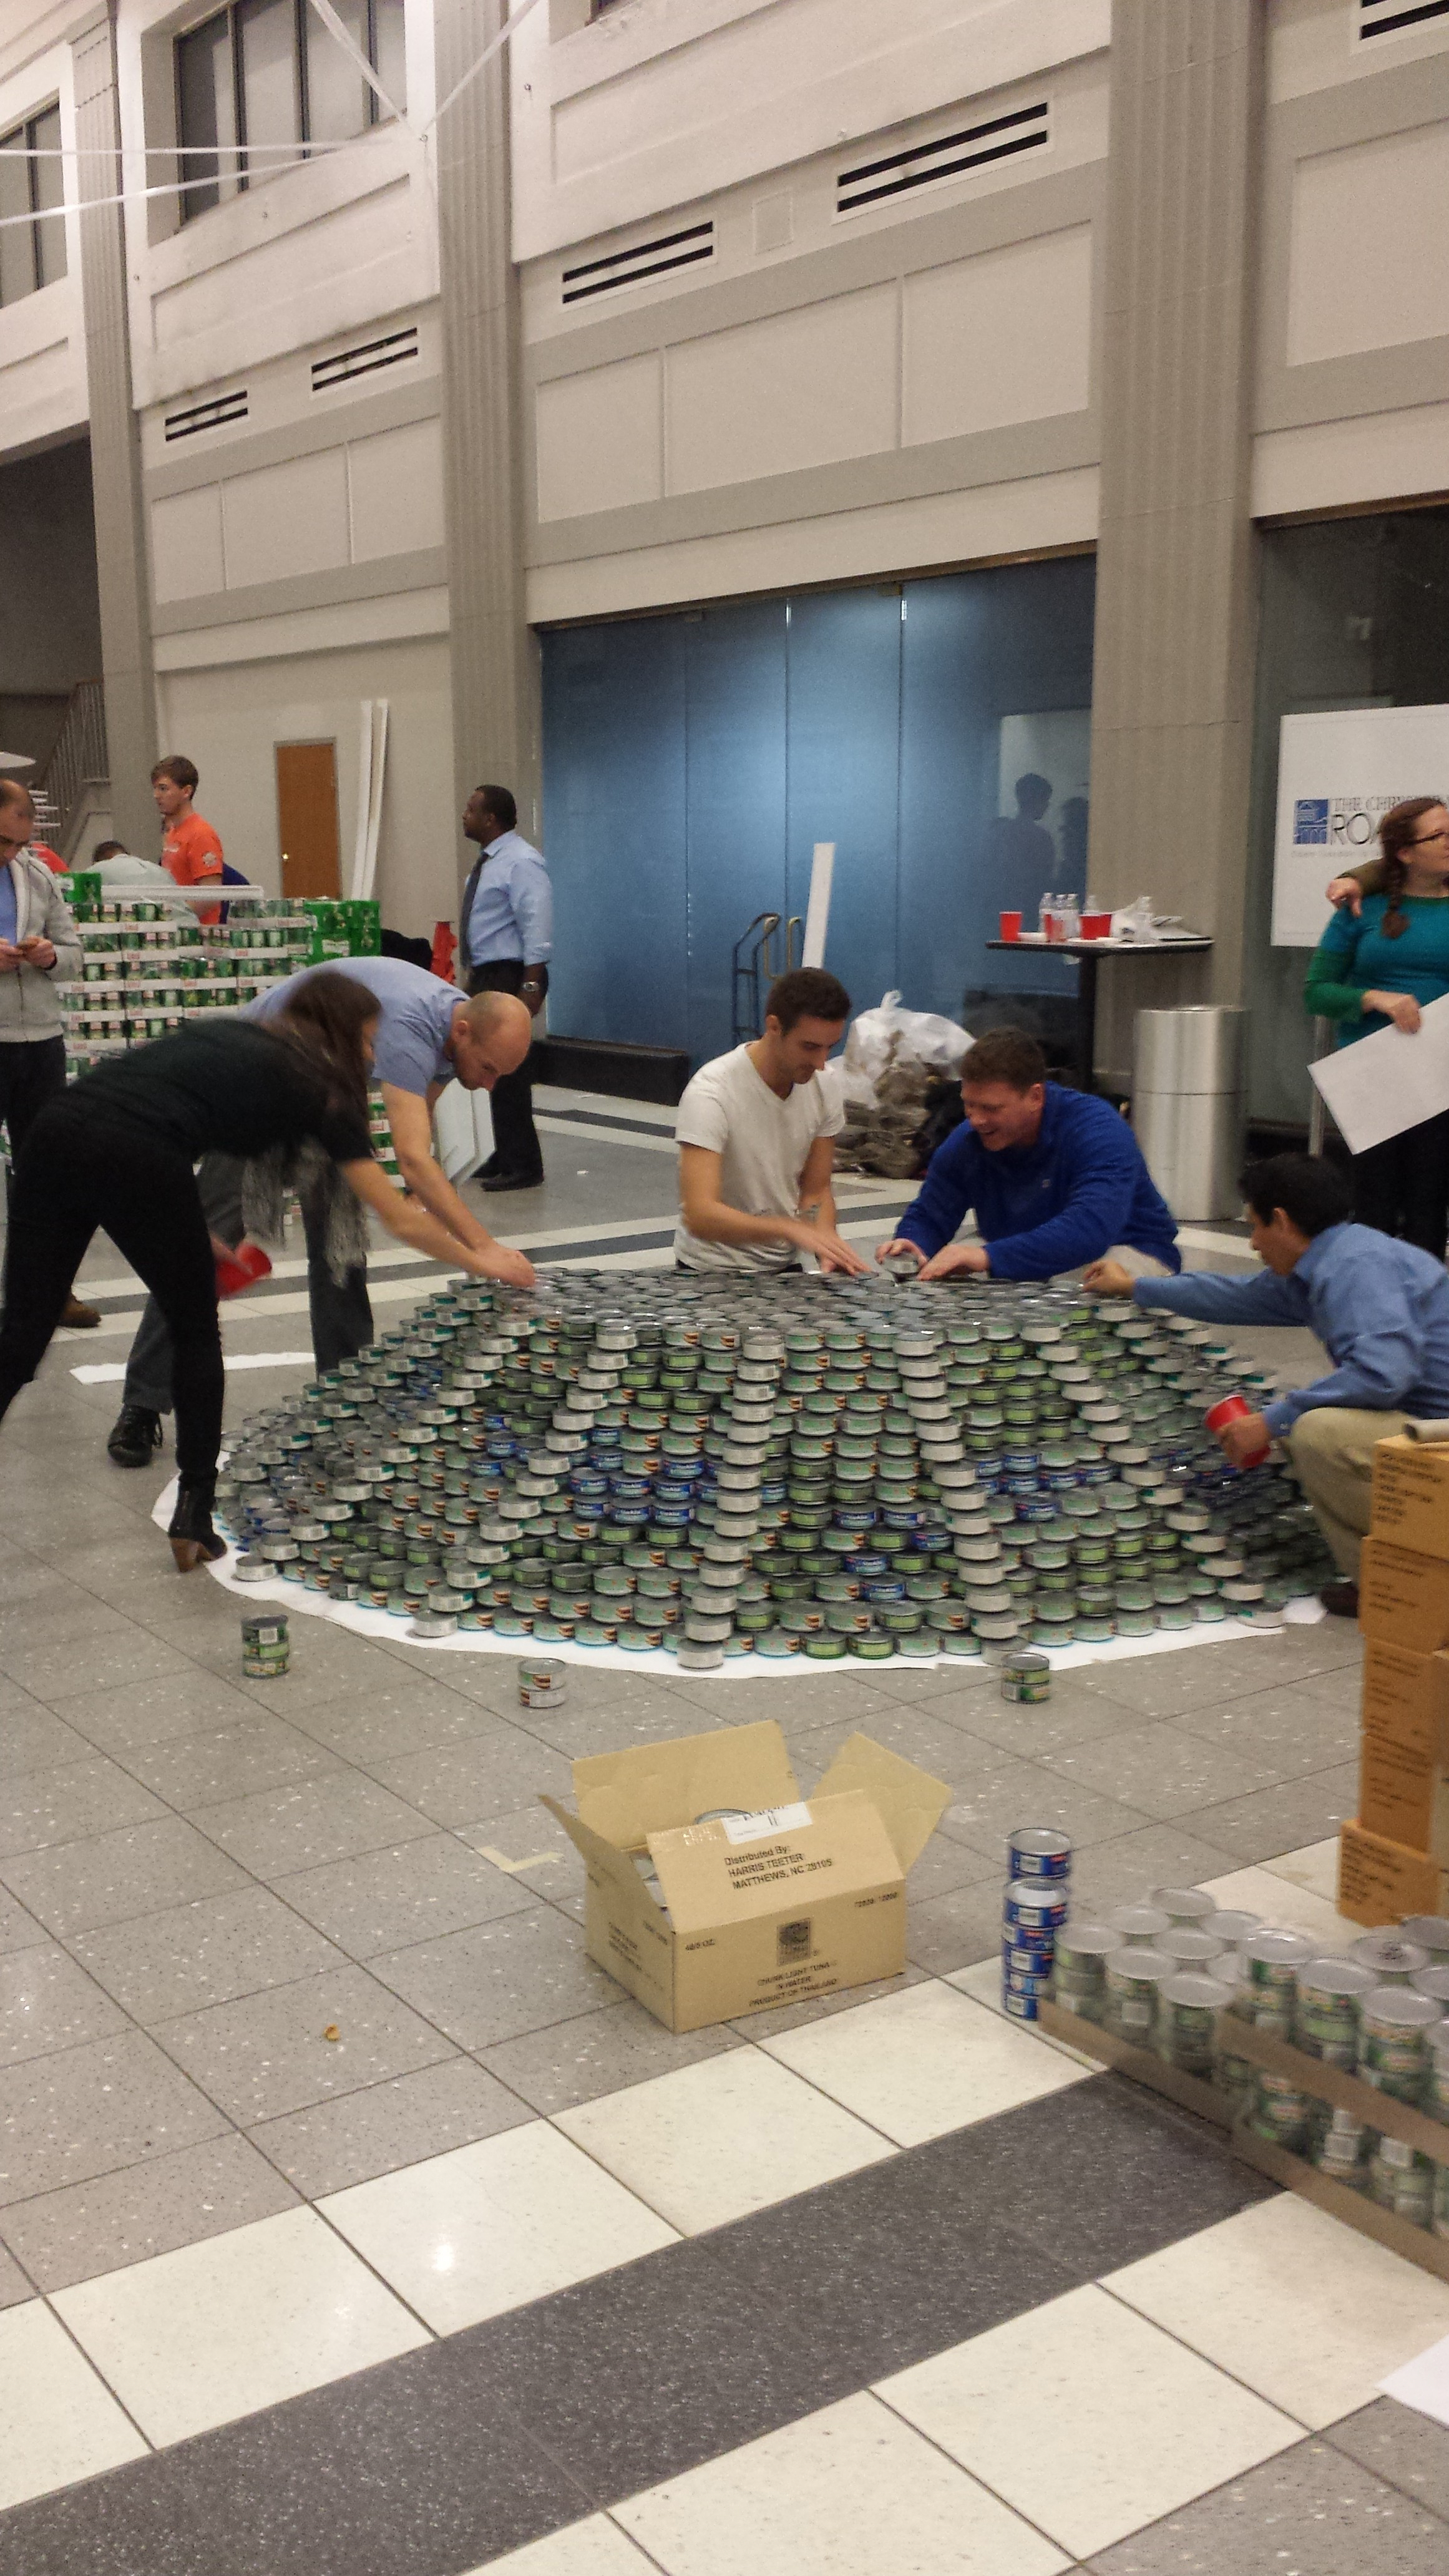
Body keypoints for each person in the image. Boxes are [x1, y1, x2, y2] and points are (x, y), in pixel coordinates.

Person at [0, 976, 516, 1568]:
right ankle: (194, 1512)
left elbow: (147, 1109)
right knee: (196, 1330)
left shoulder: (229, 1035)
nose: (372, 1056)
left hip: (54, 1132)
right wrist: (482, 1258)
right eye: (367, 1041)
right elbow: (399, 1218)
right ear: (339, 1036)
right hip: (137, 1150)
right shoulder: (322, 1093)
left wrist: (187, 1235)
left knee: (23, 1331)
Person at [107, 958, 536, 1466]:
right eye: (488, 1069)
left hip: (325, 1091)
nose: (489, 1085)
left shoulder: (456, 1031)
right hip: (253, 1089)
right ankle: (142, 1404)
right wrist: (483, 1248)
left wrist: (423, 1188)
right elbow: (412, 1159)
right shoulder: (414, 1028)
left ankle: (345, 1395)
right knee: (198, 1253)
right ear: (462, 1031)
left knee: (340, 1250)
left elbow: (421, 1113)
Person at [1085, 1153, 1449, 1616]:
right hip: (1423, 1421)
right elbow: (1232, 1296)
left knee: (1316, 1431)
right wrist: (1135, 1288)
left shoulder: (1358, 1267)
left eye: (1255, 1227)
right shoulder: (1327, 1260)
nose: (1254, 1243)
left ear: (1281, 1220)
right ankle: (1383, 1582)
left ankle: (1420, 1574)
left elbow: (1384, 1375)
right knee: (1302, 1424)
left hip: (1439, 1430)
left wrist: (1272, 1421)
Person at [877, 1027, 1179, 1282]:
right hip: (1017, 1246)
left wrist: (986, 1256)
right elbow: (931, 1212)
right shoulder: (970, 1140)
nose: (977, 1120)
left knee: (1075, 1295)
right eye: (969, 1104)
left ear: (1035, 1097)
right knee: (946, 1283)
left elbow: (1089, 1229)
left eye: (991, 1108)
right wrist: (913, 1243)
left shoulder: (1098, 1130)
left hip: (1126, 1247)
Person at [1311, 797, 1449, 1257]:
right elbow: (1317, 991)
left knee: (1430, 1201)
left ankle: (1425, 1298)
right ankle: (1368, 1292)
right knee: (1375, 1201)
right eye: (1439, 835)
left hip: (1440, 1071)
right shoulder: (1362, 909)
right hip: (1374, 1070)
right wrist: (1372, 998)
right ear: (1406, 853)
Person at [674, 967, 869, 1274]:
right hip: (711, 1270)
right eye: (809, 1047)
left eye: (830, 1048)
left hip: (784, 1266)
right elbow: (700, 1214)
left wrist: (826, 1241)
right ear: (774, 1027)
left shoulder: (825, 1084)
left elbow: (816, 1191)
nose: (821, 1063)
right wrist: (788, 1228)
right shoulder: (712, 1091)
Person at [0, 780, 99, 1330]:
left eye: (20, 842)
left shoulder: (37, 875)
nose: (12, 852)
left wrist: (49, 955)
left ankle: (49, 1290)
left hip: (39, 1040)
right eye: (4, 841)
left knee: (45, 1170)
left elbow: (75, 955)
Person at [459, 785, 552, 1194]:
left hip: (511, 974)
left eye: (471, 809)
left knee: (509, 1071)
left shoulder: (521, 862)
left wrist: (530, 985)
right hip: (487, 973)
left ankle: (524, 1164)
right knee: (485, 1067)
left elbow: (537, 925)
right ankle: (499, 1152)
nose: (464, 815)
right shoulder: (488, 864)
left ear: (491, 818)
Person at [152, 756, 224, 925]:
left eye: (163, 789)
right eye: (155, 789)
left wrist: (172, 916)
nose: (156, 796)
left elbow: (211, 895)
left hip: (197, 932)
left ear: (186, 792)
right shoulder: (172, 833)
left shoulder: (201, 834)